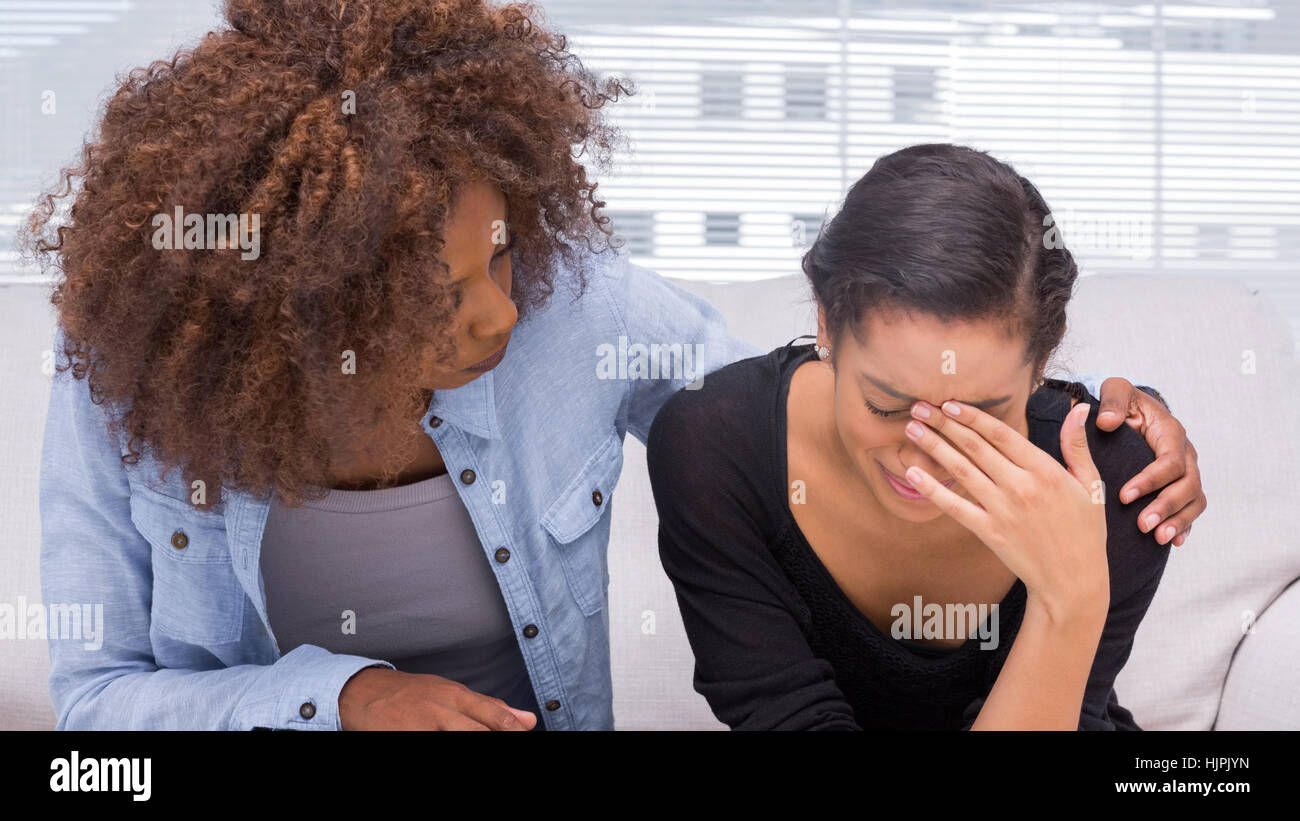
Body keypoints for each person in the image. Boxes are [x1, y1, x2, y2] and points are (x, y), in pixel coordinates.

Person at [29, 1, 1203, 731]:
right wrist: (339, 697)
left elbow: (806, 401)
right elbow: (95, 702)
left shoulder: (570, 305)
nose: (501, 315)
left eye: (500, 256)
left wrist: (1096, 418)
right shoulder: (134, 395)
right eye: (443, 300)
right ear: (299, 307)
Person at [647, 143, 1206, 730]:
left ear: (1044, 357)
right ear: (825, 325)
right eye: (885, 404)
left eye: (975, 416)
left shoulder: (1122, 481)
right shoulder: (713, 446)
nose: (922, 462)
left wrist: (1069, 600)